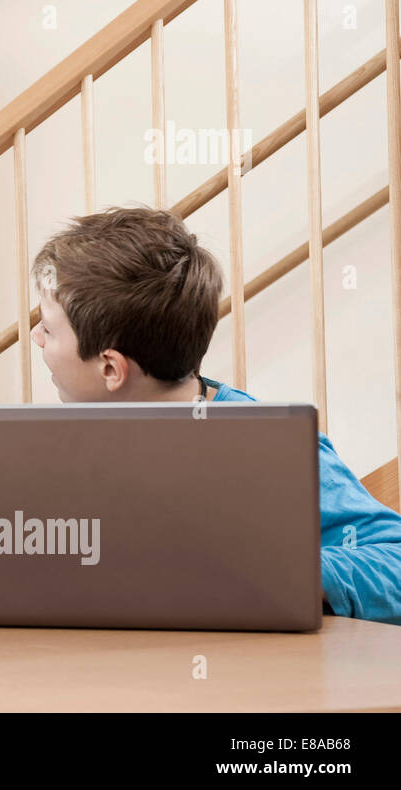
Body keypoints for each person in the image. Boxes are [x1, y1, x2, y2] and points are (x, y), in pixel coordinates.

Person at [29, 206, 401, 624]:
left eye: (48, 328)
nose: (36, 338)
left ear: (111, 369)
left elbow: (396, 562)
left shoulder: (269, 448)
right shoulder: (67, 448)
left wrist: (282, 572)